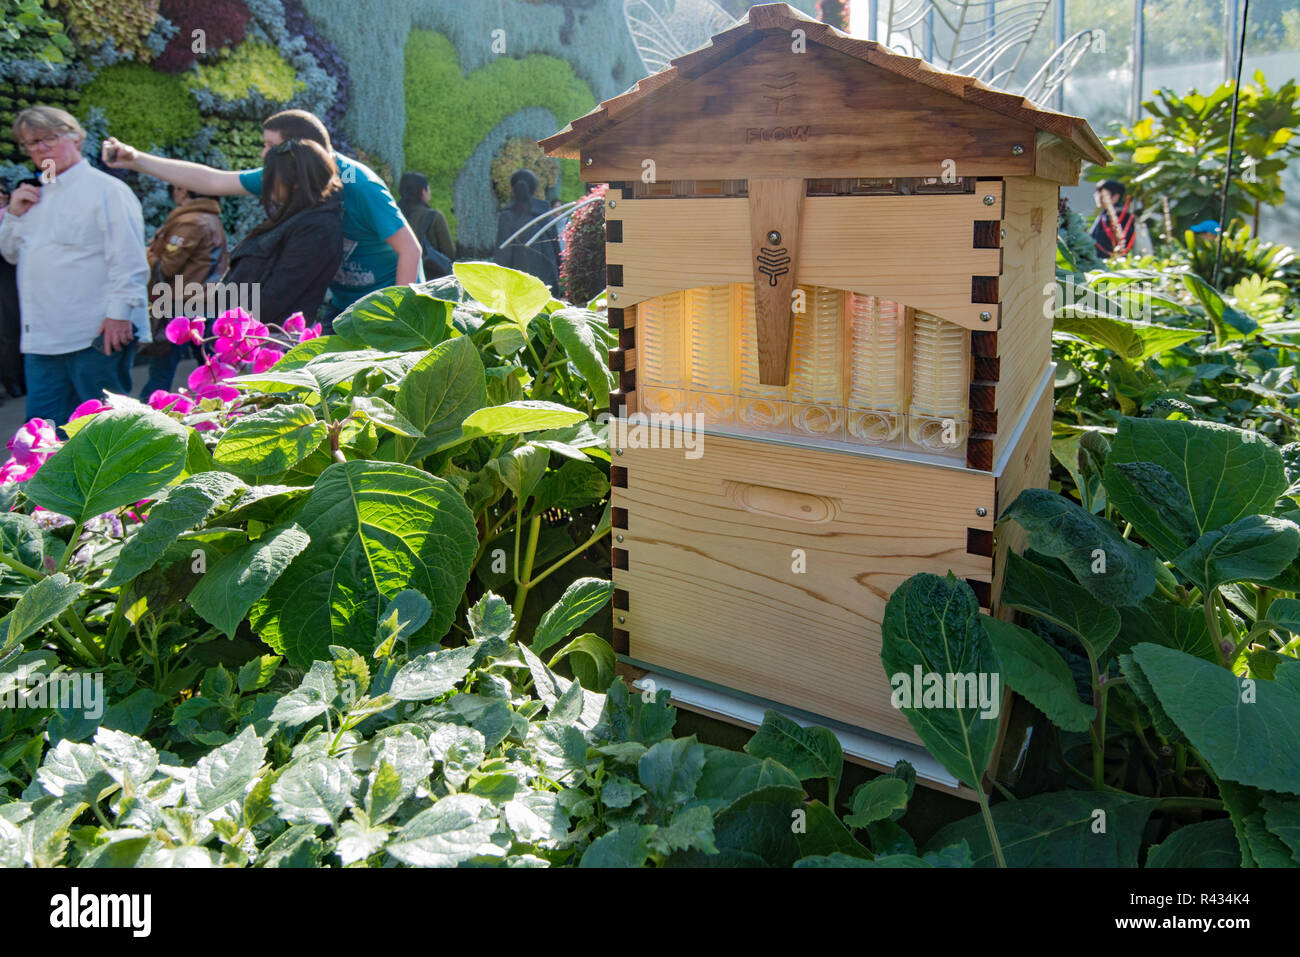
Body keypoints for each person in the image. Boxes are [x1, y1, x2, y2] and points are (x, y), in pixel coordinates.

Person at [101, 109, 420, 328]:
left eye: (270, 145)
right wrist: (137, 160)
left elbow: (410, 250)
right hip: (343, 303)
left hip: (388, 303)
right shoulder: (289, 175)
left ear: (297, 149)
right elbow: (213, 181)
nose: (264, 155)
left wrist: (398, 321)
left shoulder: (360, 185)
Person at [0, 107, 149, 427]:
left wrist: (120, 314)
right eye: (30, 143)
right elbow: (11, 254)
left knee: (105, 433)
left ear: (77, 138)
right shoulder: (31, 195)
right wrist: (12, 214)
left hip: (95, 335)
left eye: (48, 139)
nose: (40, 148)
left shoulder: (107, 191)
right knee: (43, 436)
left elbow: (129, 259)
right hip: (41, 340)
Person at [217, 138, 344, 328]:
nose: (263, 180)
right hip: (247, 332)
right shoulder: (296, 218)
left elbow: (277, 294)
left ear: (296, 182)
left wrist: (230, 326)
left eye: (269, 173)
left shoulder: (317, 228)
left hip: (266, 340)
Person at [140, 184, 229, 399]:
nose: (174, 193)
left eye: (176, 188)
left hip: (181, 305)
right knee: (212, 369)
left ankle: (143, 419)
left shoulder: (192, 221)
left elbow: (167, 267)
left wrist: (146, 252)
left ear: (183, 190)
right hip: (202, 302)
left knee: (161, 373)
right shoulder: (208, 218)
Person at [494, 168, 560, 293]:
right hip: (548, 287)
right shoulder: (546, 213)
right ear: (535, 191)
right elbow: (557, 252)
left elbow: (503, 255)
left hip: (519, 288)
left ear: (512, 189)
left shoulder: (508, 216)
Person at [397, 171, 454, 278]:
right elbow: (449, 253)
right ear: (423, 191)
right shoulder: (434, 216)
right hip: (429, 278)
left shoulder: (393, 214)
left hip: (396, 274)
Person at [0, 184, 23, 398]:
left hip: (17, 277)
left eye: (3, 191)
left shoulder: (17, 214)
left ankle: (19, 380)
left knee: (15, 329)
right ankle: (11, 381)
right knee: (9, 332)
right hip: (5, 277)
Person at [1091, 179, 1136, 258]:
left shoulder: (1122, 215)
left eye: (1104, 194)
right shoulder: (1104, 213)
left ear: (1116, 196)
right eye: (1098, 194)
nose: (1099, 197)